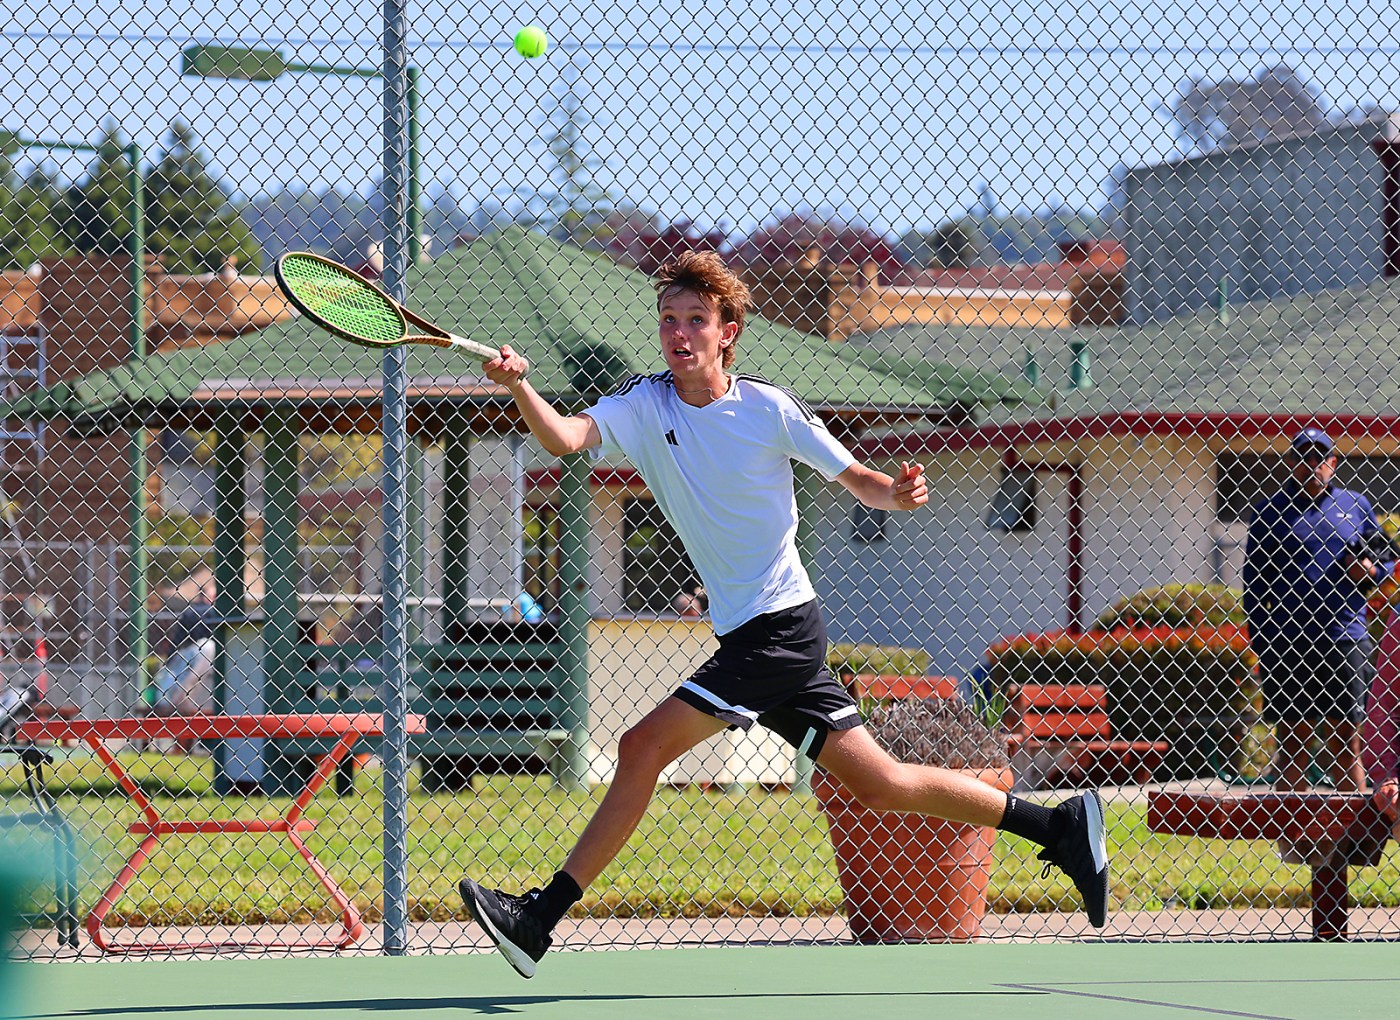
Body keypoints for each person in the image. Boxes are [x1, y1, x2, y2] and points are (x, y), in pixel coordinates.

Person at [458, 251, 1109, 979]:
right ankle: (1061, 825)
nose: (679, 334)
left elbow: (854, 475)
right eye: (669, 320)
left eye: (696, 321)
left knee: (640, 748)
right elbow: (564, 438)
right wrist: (521, 390)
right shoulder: (643, 404)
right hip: (751, 632)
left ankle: (538, 919)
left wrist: (896, 494)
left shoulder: (768, 408)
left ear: (727, 331)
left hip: (782, 628)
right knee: (881, 782)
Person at [1244, 427, 1394, 792]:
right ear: (1291, 463)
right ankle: (1294, 848)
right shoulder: (1269, 512)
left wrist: (1370, 570)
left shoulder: (1356, 506)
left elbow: (1389, 558)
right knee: (1293, 744)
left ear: (1333, 463)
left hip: (1344, 639)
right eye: (1303, 458)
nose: (1312, 464)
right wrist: (1265, 643)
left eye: (1320, 457)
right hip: (1289, 644)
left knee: (1347, 745)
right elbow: (1253, 588)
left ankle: (1353, 847)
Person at [152, 593, 219, 718]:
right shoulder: (202, 612)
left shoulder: (194, 612)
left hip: (188, 658)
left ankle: (172, 701)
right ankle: (172, 701)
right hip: (189, 656)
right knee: (206, 647)